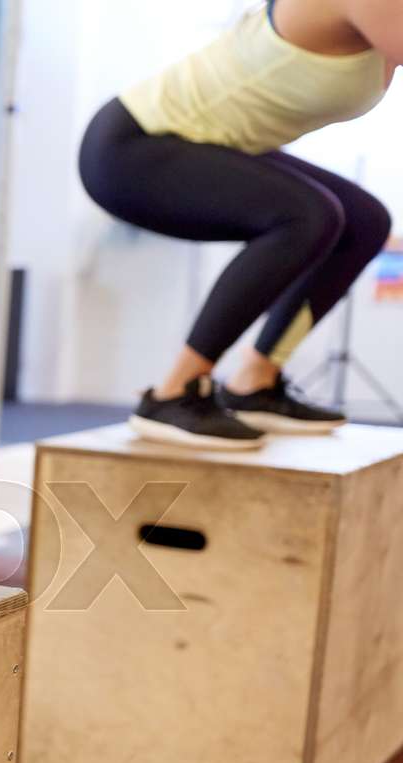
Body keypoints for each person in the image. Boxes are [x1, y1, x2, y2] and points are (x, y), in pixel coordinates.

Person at [80, 0, 397, 449]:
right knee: (307, 215)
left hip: (215, 144)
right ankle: (175, 392)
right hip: (135, 145)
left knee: (364, 221)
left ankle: (256, 384)